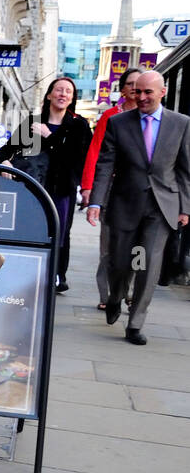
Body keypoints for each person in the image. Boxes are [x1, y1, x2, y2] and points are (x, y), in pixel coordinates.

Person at [86, 71, 190, 345]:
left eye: (148, 92)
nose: (141, 97)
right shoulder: (119, 123)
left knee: (147, 264)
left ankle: (135, 322)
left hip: (161, 207)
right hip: (124, 203)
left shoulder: (180, 124)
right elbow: (105, 164)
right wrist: (95, 201)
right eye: (137, 92)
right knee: (120, 263)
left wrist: (185, 207)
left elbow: (185, 169)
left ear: (162, 92)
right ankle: (116, 297)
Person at [0, 77, 92, 293]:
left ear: (72, 98)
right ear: (49, 94)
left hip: (61, 189)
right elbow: (5, 150)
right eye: (59, 90)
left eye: (68, 91)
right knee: (30, 229)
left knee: (58, 231)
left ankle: (57, 274)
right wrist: (5, 162)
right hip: (31, 190)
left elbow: (76, 160)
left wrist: (49, 137)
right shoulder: (32, 121)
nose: (63, 94)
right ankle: (26, 270)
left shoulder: (78, 126)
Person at [81, 67, 143, 309]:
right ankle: (107, 296)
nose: (136, 90)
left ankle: (130, 292)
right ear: (124, 89)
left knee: (139, 248)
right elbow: (96, 151)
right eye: (131, 84)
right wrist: (88, 187)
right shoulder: (111, 117)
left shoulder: (153, 119)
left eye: (140, 85)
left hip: (139, 194)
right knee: (109, 247)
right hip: (111, 191)